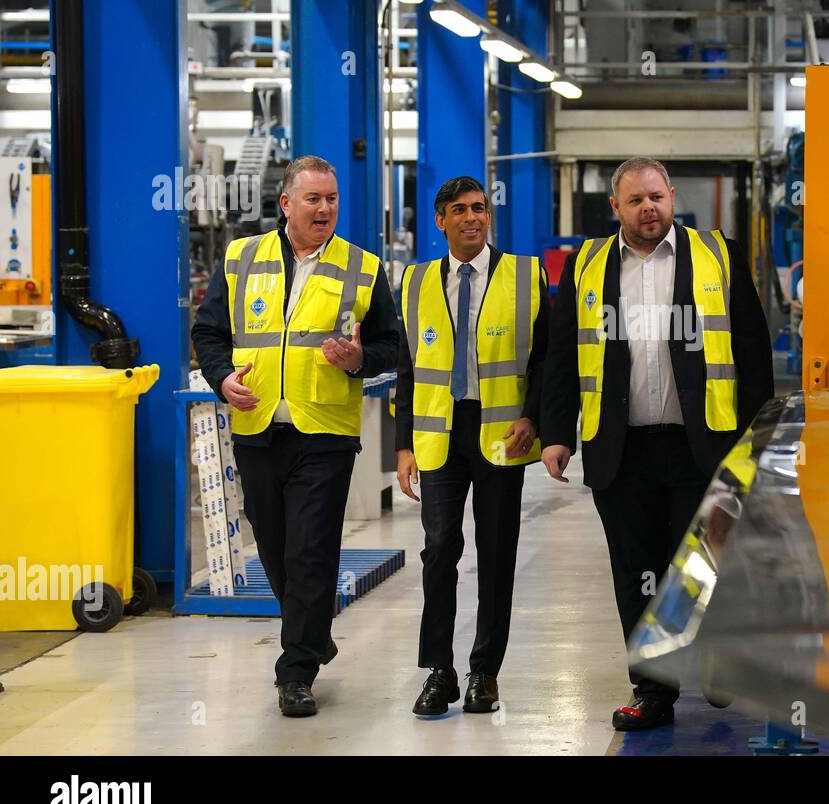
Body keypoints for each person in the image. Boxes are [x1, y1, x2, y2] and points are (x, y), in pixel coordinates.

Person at [541, 156, 773, 731]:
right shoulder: (587, 265)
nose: (650, 208)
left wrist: (757, 437)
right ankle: (652, 689)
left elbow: (752, 350)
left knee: (705, 565)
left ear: (672, 197)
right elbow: (561, 354)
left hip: (703, 445)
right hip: (620, 449)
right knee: (636, 572)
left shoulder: (717, 255)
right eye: (637, 200)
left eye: (658, 197)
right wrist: (555, 434)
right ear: (615, 208)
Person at [192, 155, 400, 718]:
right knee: (276, 546)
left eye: (331, 199)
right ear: (286, 204)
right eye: (313, 199)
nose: (325, 209)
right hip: (258, 428)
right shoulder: (241, 258)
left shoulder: (362, 267)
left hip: (325, 432)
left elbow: (390, 345)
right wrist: (221, 377)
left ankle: (296, 670)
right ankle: (311, 631)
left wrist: (360, 359)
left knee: (311, 549)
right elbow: (208, 332)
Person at [394, 176, 549, 719]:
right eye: (459, 210)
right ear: (440, 220)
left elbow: (546, 360)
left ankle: (485, 671)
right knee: (439, 552)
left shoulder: (526, 276)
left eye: (479, 208)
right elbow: (407, 367)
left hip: (502, 432)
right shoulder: (414, 282)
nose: (471, 218)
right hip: (438, 434)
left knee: (497, 551)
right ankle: (440, 671)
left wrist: (535, 417)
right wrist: (402, 445)